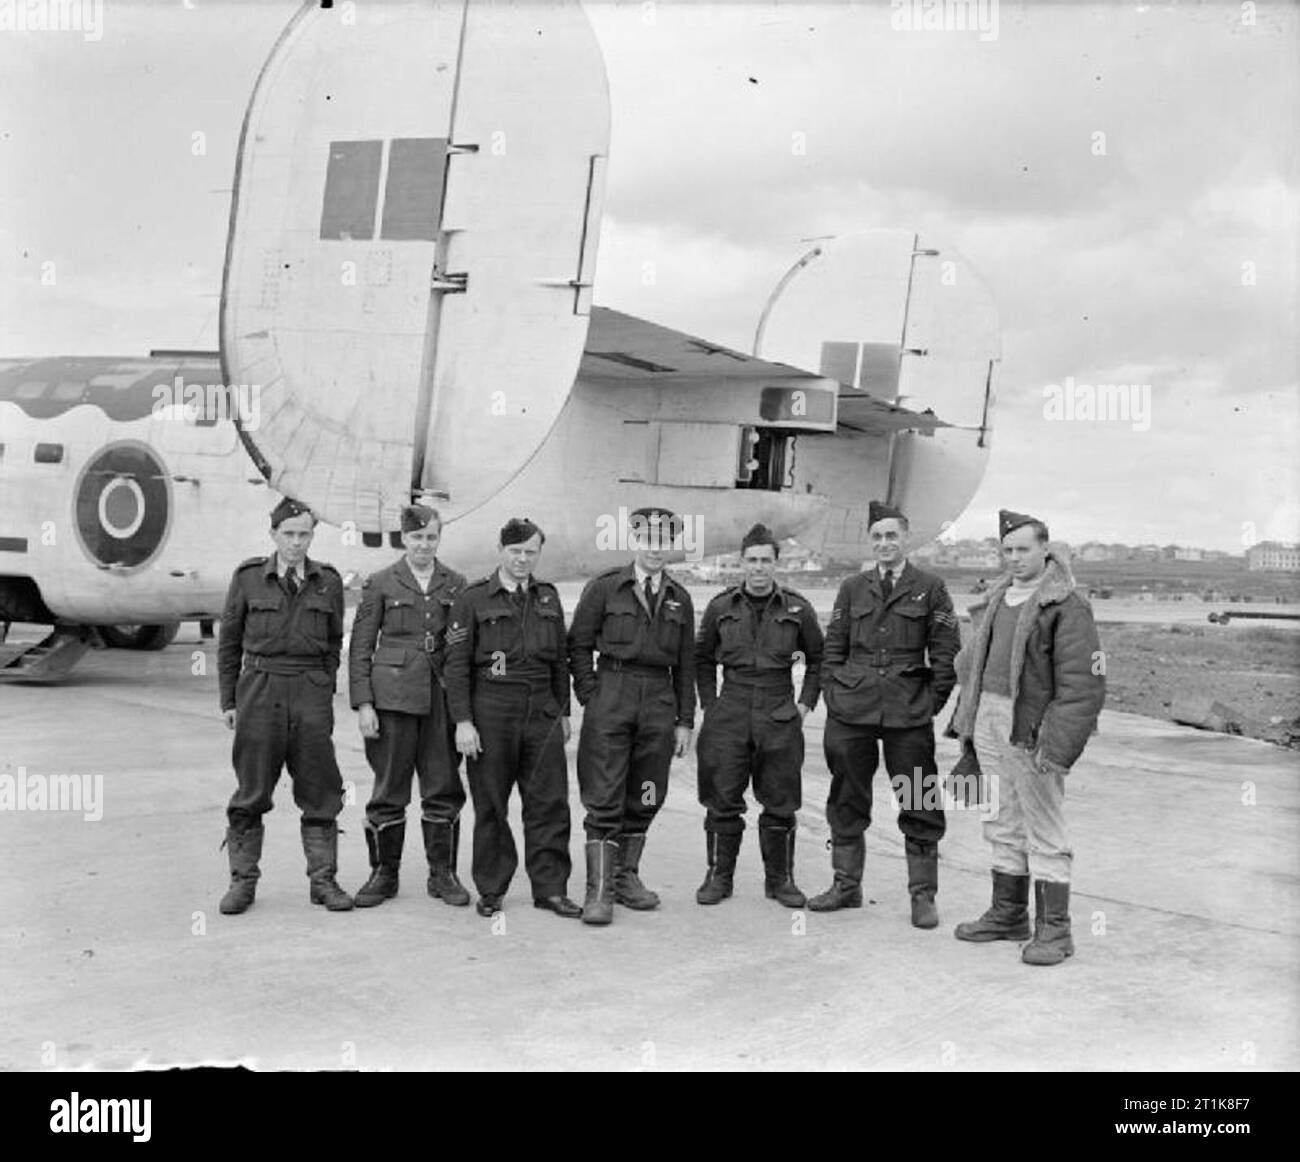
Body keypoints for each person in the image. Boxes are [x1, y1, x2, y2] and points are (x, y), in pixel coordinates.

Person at [949, 510, 1105, 966]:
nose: (1015, 558)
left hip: (1031, 728)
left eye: (1024, 549)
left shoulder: (1067, 604)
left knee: (1044, 826)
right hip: (989, 719)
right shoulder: (998, 596)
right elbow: (972, 665)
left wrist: (1055, 748)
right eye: (1008, 550)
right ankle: (1008, 914)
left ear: (1045, 549)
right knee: (1001, 819)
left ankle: (1055, 932)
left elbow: (1083, 687)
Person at [809, 500, 959, 928]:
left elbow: (946, 652)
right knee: (846, 795)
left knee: (919, 797)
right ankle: (846, 885)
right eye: (877, 537)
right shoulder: (852, 588)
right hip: (851, 709)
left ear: (906, 538)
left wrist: (931, 702)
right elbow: (833, 646)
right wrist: (834, 694)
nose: (884, 543)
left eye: (891, 535)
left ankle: (922, 895)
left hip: (907, 710)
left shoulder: (930, 587)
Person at [216, 497, 353, 914]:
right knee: (252, 789)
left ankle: (323, 881)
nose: (296, 543)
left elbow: (333, 644)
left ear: (312, 536)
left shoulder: (327, 581)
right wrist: (230, 700)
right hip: (260, 690)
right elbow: (229, 643)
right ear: (273, 533)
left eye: (304, 534)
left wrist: (322, 688)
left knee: (320, 788)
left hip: (310, 693)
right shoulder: (248, 578)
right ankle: (242, 882)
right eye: (288, 534)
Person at [444, 518, 580, 919]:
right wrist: (463, 722)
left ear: (539, 554)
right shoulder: (472, 599)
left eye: (530, 552)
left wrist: (563, 711)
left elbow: (560, 661)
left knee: (550, 803)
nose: (523, 560)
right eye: (516, 552)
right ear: (500, 552)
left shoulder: (548, 597)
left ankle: (551, 889)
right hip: (491, 710)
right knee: (491, 804)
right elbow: (456, 666)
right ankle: (492, 888)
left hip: (541, 712)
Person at [568, 506, 695, 925]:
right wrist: (591, 694)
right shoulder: (606, 588)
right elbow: (579, 645)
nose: (655, 549)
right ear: (635, 542)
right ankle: (599, 891)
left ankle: (626, 878)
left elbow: (687, 665)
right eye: (648, 540)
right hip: (613, 693)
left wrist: (684, 721)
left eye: (663, 542)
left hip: (659, 700)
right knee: (604, 794)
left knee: (646, 792)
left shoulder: (680, 598)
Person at [693, 523, 824, 907]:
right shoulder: (721, 607)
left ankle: (780, 880)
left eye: (766, 560)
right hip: (730, 707)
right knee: (722, 798)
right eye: (752, 560)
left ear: (776, 564)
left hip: (778, 707)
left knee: (781, 800)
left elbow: (819, 658)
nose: (759, 568)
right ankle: (719, 876)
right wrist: (709, 704)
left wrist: (804, 704)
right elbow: (701, 658)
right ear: (741, 563)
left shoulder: (798, 608)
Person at [347, 503, 470, 908]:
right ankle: (384, 874)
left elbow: (463, 649)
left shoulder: (456, 583)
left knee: (443, 786)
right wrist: (364, 703)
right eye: (417, 538)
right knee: (389, 787)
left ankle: (442, 874)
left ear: (439, 538)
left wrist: (463, 712)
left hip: (440, 697)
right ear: (403, 538)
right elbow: (361, 647)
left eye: (431, 537)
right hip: (392, 699)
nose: (424, 546)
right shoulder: (381, 582)